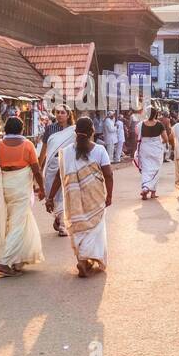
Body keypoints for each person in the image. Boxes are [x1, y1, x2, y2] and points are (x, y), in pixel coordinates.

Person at [47, 116, 114, 277]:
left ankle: (83, 259)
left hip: (73, 199)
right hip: (95, 197)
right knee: (94, 228)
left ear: (75, 133)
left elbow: (58, 177)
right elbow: (108, 175)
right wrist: (109, 195)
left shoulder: (66, 152)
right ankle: (85, 260)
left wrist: (50, 197)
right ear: (92, 132)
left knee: (79, 227)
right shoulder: (99, 150)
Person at [0, 116, 45, 276]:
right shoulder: (27, 145)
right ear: (21, 129)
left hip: (4, 187)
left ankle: (18, 259)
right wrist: (42, 188)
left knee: (14, 222)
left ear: (6, 129)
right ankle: (5, 262)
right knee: (17, 225)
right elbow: (36, 170)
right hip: (20, 190)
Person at [40, 106, 76, 235]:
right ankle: (58, 217)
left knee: (65, 193)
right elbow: (44, 149)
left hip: (68, 164)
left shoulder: (74, 130)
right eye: (57, 112)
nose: (60, 115)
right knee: (52, 193)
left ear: (68, 115)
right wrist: (39, 168)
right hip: (52, 164)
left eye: (63, 112)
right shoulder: (50, 129)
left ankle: (62, 224)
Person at [135, 107, 168, 198]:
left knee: (146, 169)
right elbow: (165, 139)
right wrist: (157, 143)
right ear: (155, 114)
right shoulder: (159, 124)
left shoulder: (140, 124)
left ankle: (145, 188)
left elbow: (137, 136)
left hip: (144, 148)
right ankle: (152, 192)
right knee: (156, 169)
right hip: (156, 149)